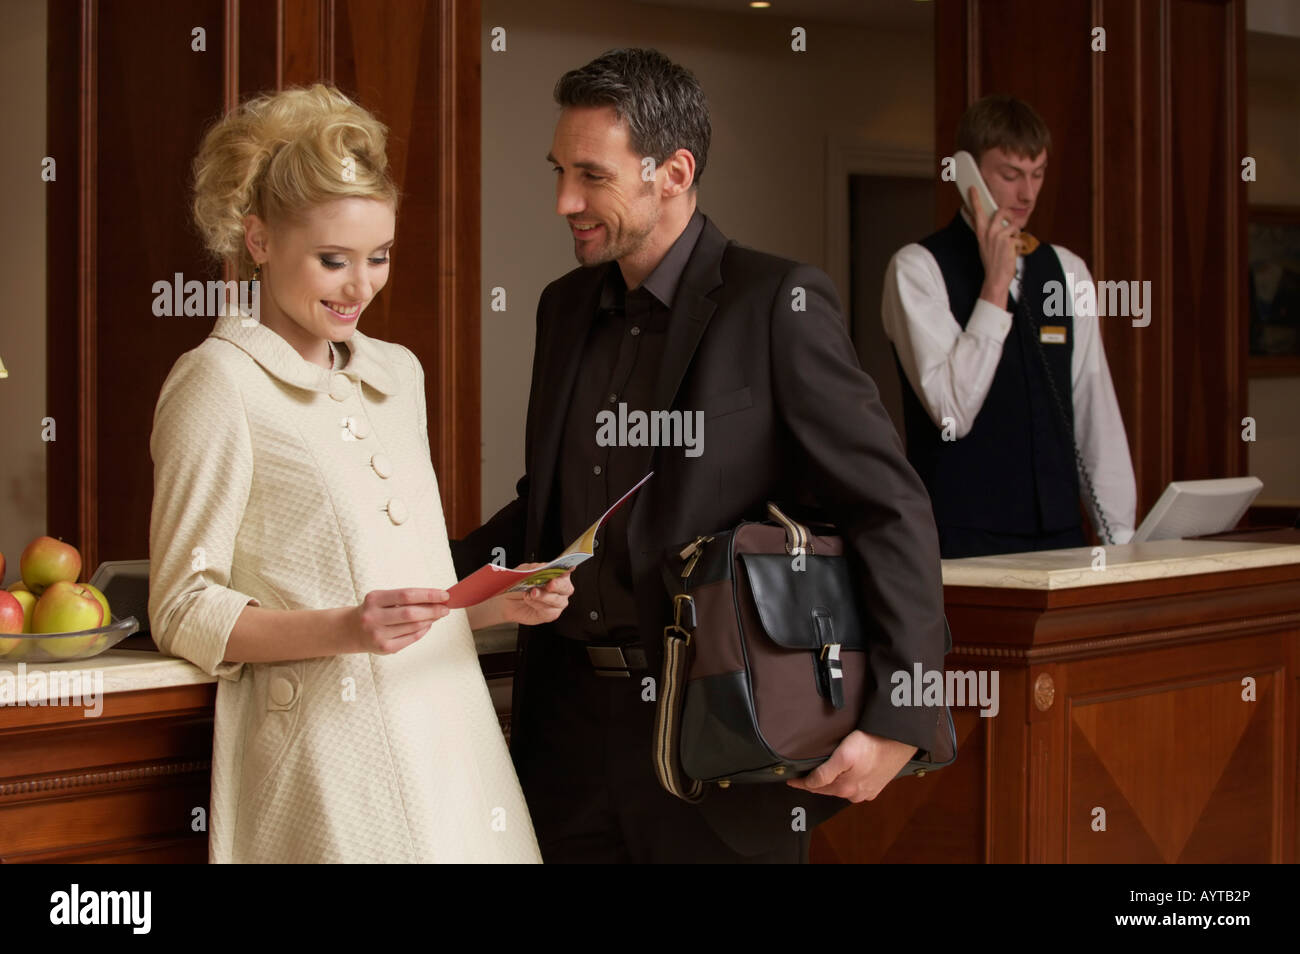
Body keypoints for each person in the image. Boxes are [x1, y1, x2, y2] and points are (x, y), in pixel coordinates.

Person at [451, 49, 947, 864]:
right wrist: (424, 582)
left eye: (590, 176)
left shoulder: (777, 303)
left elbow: (888, 508)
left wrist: (901, 716)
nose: (563, 202)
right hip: (564, 740)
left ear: (672, 171)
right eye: (558, 172)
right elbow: (552, 505)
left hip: (726, 735)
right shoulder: (563, 308)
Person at [148, 84, 572, 863]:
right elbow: (182, 607)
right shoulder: (219, 382)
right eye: (332, 260)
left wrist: (496, 601)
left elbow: (410, 601)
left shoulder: (397, 374)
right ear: (258, 240)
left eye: (378, 257)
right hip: (327, 764)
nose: (360, 286)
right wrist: (346, 628)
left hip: (455, 741)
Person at [882, 94, 1137, 559]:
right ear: (968, 173)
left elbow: (1094, 410)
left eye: (1037, 174)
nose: (1027, 194)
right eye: (1010, 174)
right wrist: (996, 286)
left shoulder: (1069, 271)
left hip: (1062, 535)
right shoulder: (917, 269)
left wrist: (1119, 540)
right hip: (962, 538)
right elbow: (952, 413)